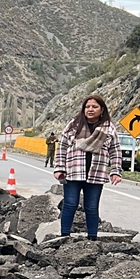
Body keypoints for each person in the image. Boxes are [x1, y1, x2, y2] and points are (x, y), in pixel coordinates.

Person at [53, 94, 122, 240]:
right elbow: (62, 147)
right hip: (73, 172)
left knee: (91, 207)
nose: (90, 109)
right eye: (87, 106)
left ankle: (92, 239)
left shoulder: (108, 128)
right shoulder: (73, 125)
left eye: (95, 107)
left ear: (102, 110)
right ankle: (64, 236)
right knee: (70, 203)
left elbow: (115, 151)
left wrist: (116, 171)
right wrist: (59, 168)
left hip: (96, 174)